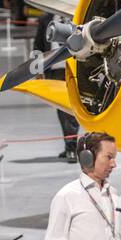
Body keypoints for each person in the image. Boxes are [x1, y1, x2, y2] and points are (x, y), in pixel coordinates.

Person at [32, 12, 79, 162]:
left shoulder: (77, 15)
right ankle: (69, 145)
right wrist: (37, 70)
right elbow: (38, 44)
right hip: (55, 69)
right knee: (62, 108)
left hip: (74, 68)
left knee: (72, 108)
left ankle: (72, 147)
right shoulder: (46, 20)